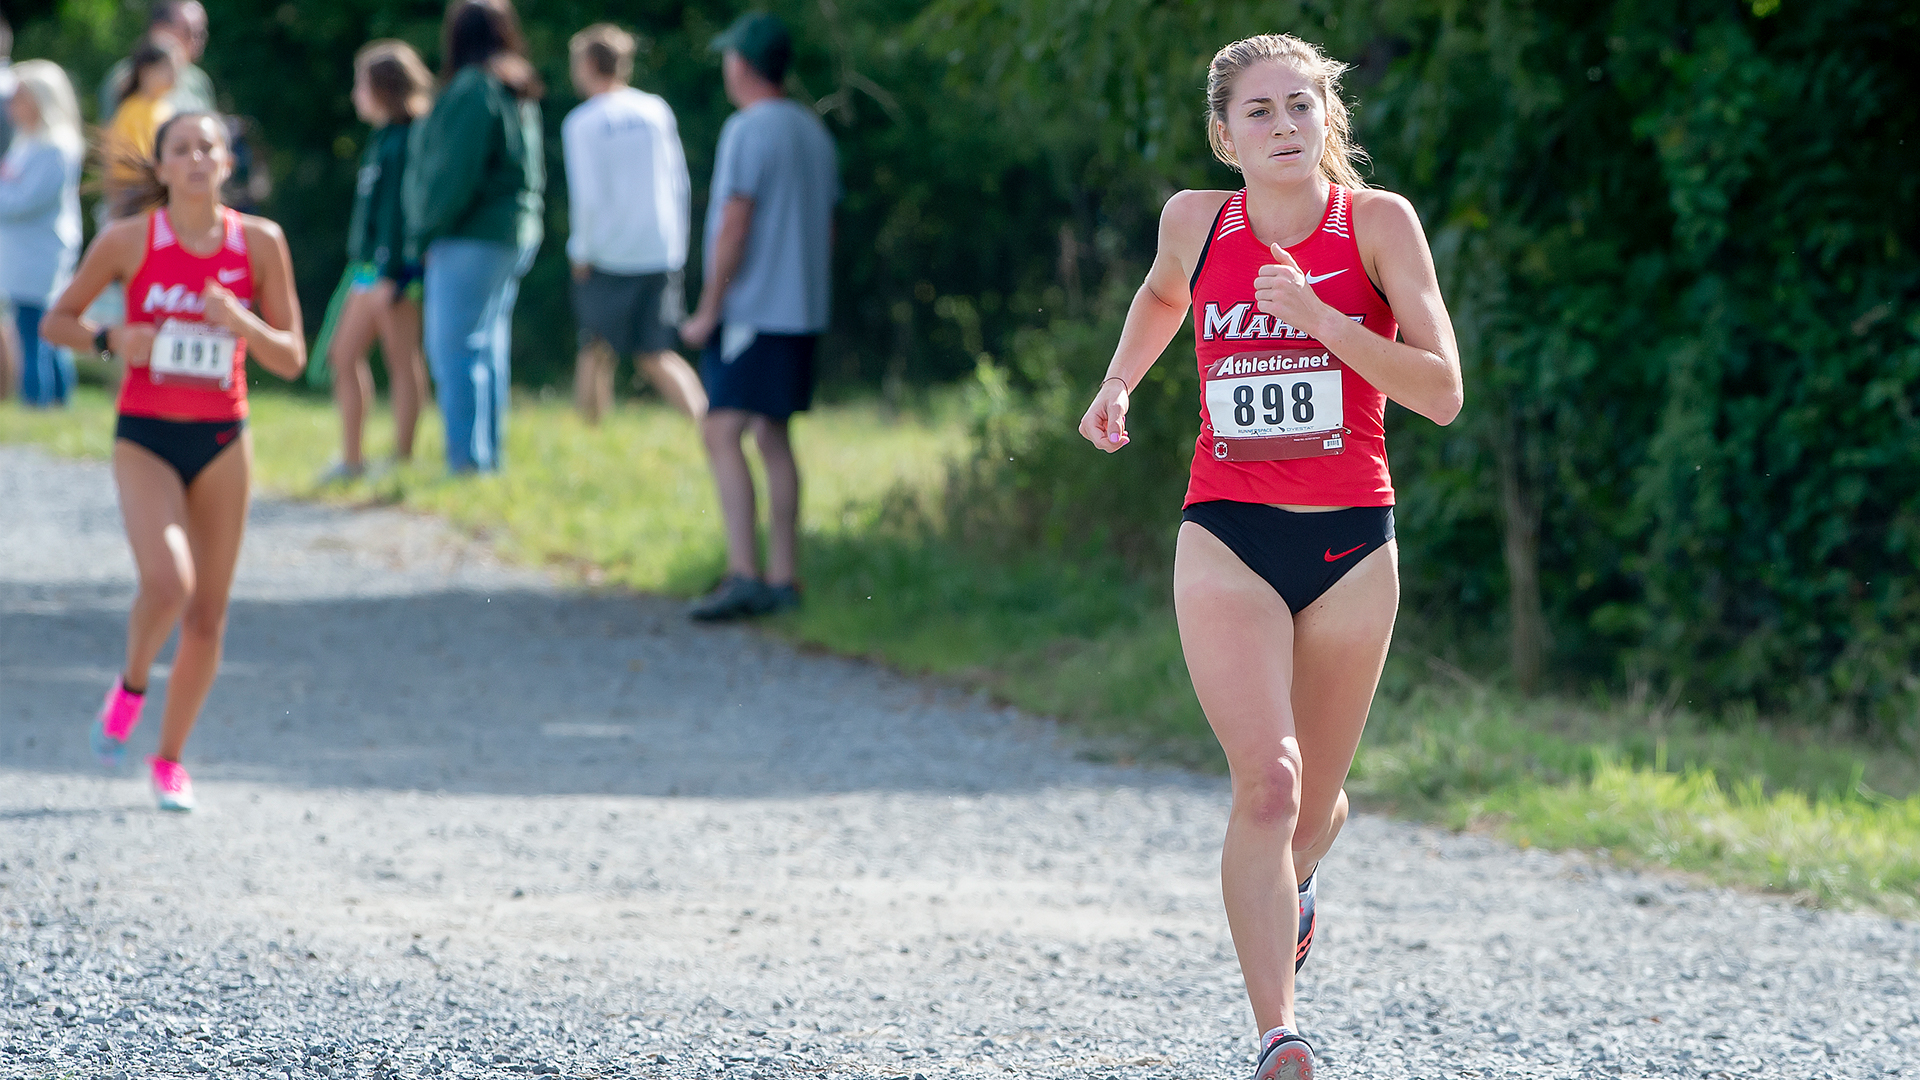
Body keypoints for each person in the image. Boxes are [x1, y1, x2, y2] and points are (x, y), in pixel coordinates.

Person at [1075, 34, 1461, 1080]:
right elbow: (1164, 295)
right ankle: (1277, 1033)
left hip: (1349, 545)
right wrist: (1119, 384)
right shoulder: (1195, 221)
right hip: (1227, 533)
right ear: (1224, 133)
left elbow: (1440, 391)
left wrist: (1325, 319)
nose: (1285, 126)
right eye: (1260, 112)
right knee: (1271, 789)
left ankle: (1291, 890)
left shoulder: (1377, 226)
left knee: (1319, 803)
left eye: (1302, 107)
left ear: (1328, 120)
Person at [41, 112, 307, 811]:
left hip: (224, 436)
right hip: (147, 434)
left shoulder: (260, 242)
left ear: (228, 163)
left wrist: (241, 322)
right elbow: (55, 321)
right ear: (160, 169)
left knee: (209, 616)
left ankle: (169, 761)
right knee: (168, 583)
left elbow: (292, 358)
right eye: (181, 149)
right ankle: (130, 685)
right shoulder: (129, 241)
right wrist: (110, 337)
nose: (195, 158)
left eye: (208, 148)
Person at [680, 12, 837, 621]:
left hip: (754, 312)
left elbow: (734, 224)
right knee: (773, 434)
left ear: (740, 65)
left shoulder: (747, 130)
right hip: (800, 311)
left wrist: (708, 309)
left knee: (721, 431)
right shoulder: (811, 131)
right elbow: (826, 228)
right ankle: (784, 579)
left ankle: (745, 573)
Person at [404, 0, 544, 475]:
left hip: (471, 236)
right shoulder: (515, 82)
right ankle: (487, 460)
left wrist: (423, 232)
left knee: (454, 350)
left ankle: (465, 464)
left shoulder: (471, 88)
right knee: (486, 348)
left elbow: (453, 177)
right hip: (513, 233)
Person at [562, 22, 705, 425]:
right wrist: (677, 243)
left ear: (589, 64)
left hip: (608, 250)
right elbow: (678, 180)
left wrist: (581, 251)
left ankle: (588, 437)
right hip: (659, 246)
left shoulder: (583, 122)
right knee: (656, 352)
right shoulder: (655, 109)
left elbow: (586, 195)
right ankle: (707, 422)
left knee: (594, 344)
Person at [316, 40, 434, 482]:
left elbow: (404, 213)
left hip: (395, 274)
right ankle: (353, 461)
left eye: (360, 85)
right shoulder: (382, 136)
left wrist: (394, 272)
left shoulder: (411, 137)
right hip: (368, 269)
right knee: (342, 356)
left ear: (384, 87)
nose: (354, 95)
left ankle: (402, 462)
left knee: (402, 360)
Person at [0, 61, 85, 407]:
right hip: (22, 253)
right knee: (40, 332)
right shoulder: (27, 142)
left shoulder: (57, 148)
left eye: (19, 97)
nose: (11, 106)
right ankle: (54, 402)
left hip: (40, 254)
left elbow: (24, 201)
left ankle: (39, 403)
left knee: (36, 332)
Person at [98, 1, 215, 120]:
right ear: (158, 28)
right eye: (188, 31)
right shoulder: (125, 77)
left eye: (201, 34)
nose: (197, 40)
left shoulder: (199, 81)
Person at [102, 40, 176, 218]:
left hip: (158, 195)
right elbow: (130, 164)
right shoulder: (132, 110)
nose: (175, 74)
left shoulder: (164, 108)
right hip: (137, 197)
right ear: (146, 71)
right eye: (168, 67)